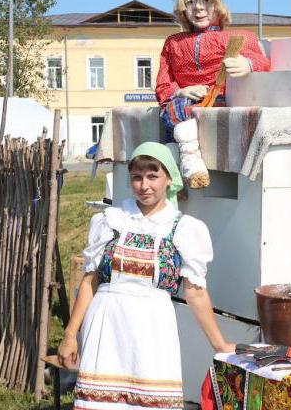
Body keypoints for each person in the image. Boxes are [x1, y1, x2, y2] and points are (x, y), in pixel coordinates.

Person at [58, 142, 235, 409]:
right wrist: (71, 335)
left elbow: (195, 292)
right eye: (137, 177)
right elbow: (89, 282)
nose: (144, 185)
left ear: (169, 179)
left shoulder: (183, 229)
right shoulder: (109, 220)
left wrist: (219, 344)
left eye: (153, 176)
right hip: (107, 325)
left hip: (152, 328)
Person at [156, 0, 270, 189]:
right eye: (190, 2)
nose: (199, 8)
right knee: (173, 108)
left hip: (218, 99)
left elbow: (264, 63)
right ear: (182, 8)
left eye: (206, 0)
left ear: (218, 4)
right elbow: (163, 82)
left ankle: (186, 164)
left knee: (177, 114)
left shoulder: (237, 38)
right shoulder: (173, 43)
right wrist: (180, 91)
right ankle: (182, 167)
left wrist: (247, 64)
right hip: (183, 104)